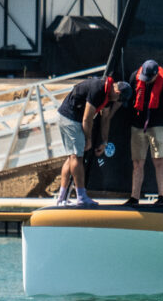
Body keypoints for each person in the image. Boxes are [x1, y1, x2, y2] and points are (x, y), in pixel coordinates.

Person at [51, 73, 128, 207]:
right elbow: (87, 118)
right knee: (77, 157)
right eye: (119, 99)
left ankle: (61, 198)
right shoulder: (98, 89)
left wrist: (104, 141)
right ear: (117, 92)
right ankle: (81, 197)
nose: (117, 102)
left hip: (72, 118)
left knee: (72, 158)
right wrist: (88, 139)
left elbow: (105, 118)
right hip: (69, 118)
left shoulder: (108, 94)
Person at [123, 59, 163, 205]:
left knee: (158, 160)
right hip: (137, 125)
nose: (145, 81)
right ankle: (134, 197)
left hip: (157, 124)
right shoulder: (135, 76)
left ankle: (161, 197)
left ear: (155, 75)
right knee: (137, 162)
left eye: (149, 79)